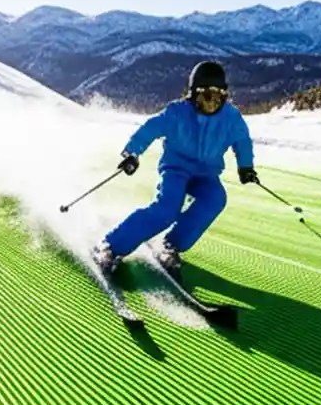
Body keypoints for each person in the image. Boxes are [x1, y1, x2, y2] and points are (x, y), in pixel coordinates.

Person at [94, 60, 259, 283]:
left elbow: (242, 141)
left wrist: (246, 166)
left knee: (215, 199)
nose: (212, 103)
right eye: (206, 96)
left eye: (218, 97)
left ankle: (170, 245)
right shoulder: (177, 113)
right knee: (166, 210)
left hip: (206, 175)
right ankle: (111, 246)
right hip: (176, 169)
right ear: (193, 94)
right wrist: (132, 153)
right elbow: (150, 129)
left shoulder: (231, 118)